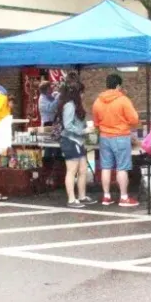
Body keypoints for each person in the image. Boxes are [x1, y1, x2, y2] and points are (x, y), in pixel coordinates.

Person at [92, 73, 141, 207]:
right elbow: (134, 119)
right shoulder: (123, 100)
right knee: (122, 167)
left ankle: (106, 196)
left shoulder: (98, 101)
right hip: (121, 136)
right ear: (118, 85)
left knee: (106, 167)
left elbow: (96, 122)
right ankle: (124, 197)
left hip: (104, 137)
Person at [58, 80, 96, 208]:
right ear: (78, 93)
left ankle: (82, 196)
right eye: (82, 92)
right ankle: (71, 199)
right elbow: (68, 125)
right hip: (70, 140)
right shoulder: (69, 105)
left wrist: (86, 127)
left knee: (83, 169)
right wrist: (83, 130)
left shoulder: (75, 105)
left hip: (78, 141)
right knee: (72, 170)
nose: (83, 95)